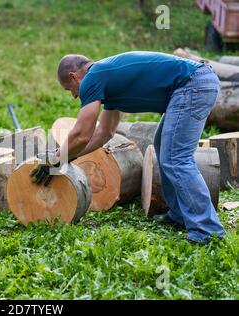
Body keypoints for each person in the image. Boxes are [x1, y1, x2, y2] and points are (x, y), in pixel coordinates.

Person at [30, 51, 224, 244]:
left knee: (176, 158)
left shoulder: (92, 77)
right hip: (192, 84)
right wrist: (67, 157)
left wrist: (56, 159)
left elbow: (82, 133)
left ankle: (207, 231)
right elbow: (103, 133)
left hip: (193, 84)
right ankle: (180, 215)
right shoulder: (107, 81)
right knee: (163, 147)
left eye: (69, 89)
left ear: (74, 76)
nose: (73, 95)